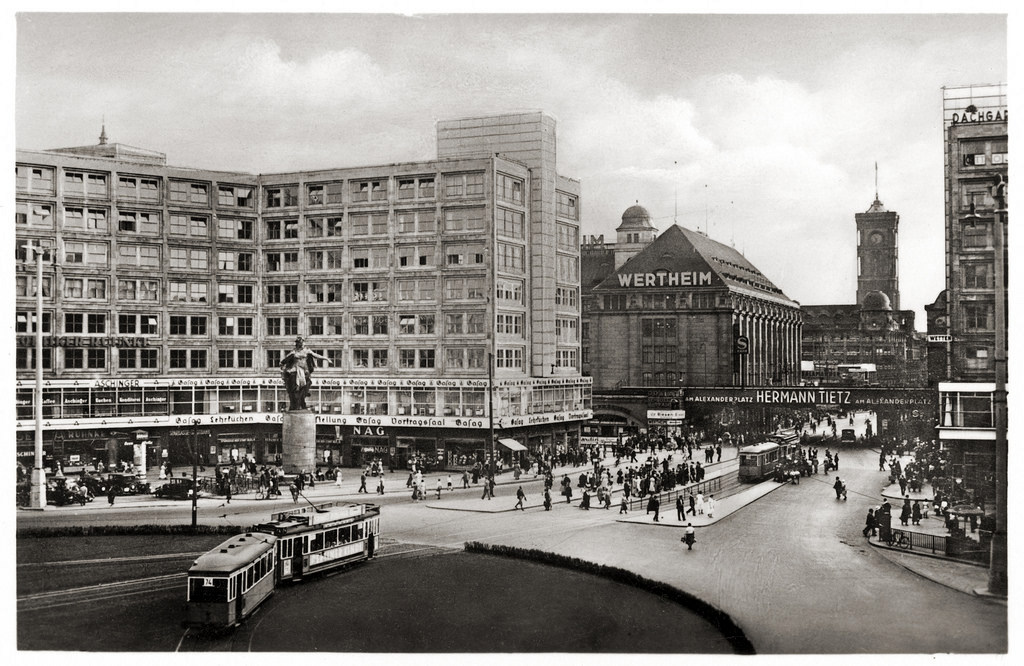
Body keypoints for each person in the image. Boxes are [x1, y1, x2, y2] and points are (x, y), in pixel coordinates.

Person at [279, 336, 332, 411]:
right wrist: (282, 365)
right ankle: (296, 399)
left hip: (304, 370)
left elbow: (316, 355)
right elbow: (286, 359)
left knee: (306, 384)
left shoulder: (307, 351)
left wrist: (326, 359)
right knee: (293, 381)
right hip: (296, 369)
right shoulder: (294, 351)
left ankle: (303, 395)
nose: (301, 344)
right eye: (299, 343)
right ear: (297, 344)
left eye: (302, 342)